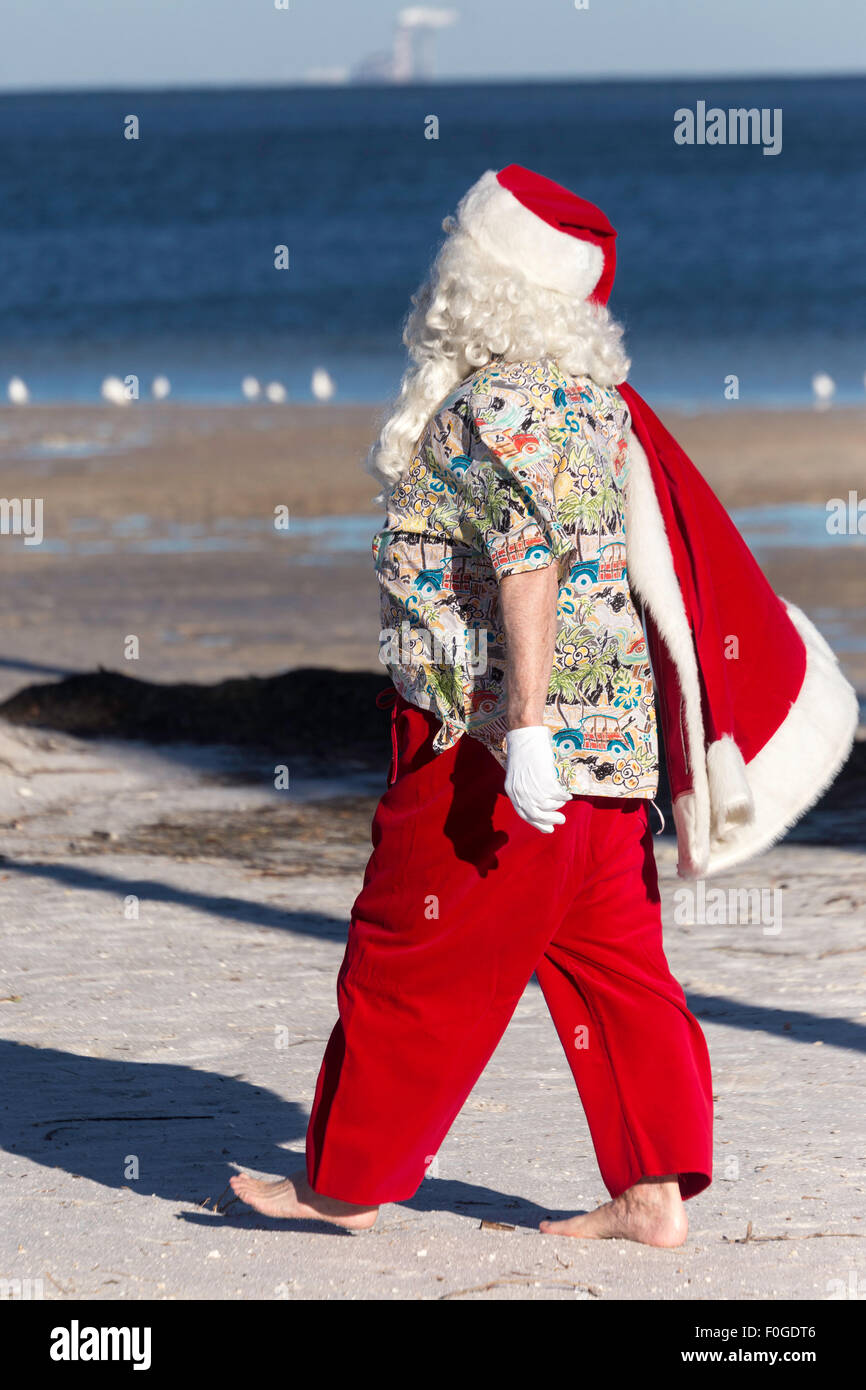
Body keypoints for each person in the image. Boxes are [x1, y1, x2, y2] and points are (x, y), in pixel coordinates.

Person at [231, 165, 857, 1244]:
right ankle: (652, 1192)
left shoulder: (490, 401)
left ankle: (347, 1182)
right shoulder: (600, 408)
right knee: (611, 969)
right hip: (611, 759)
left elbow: (526, 559)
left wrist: (523, 732)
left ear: (476, 279)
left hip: (491, 747)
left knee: (404, 955)